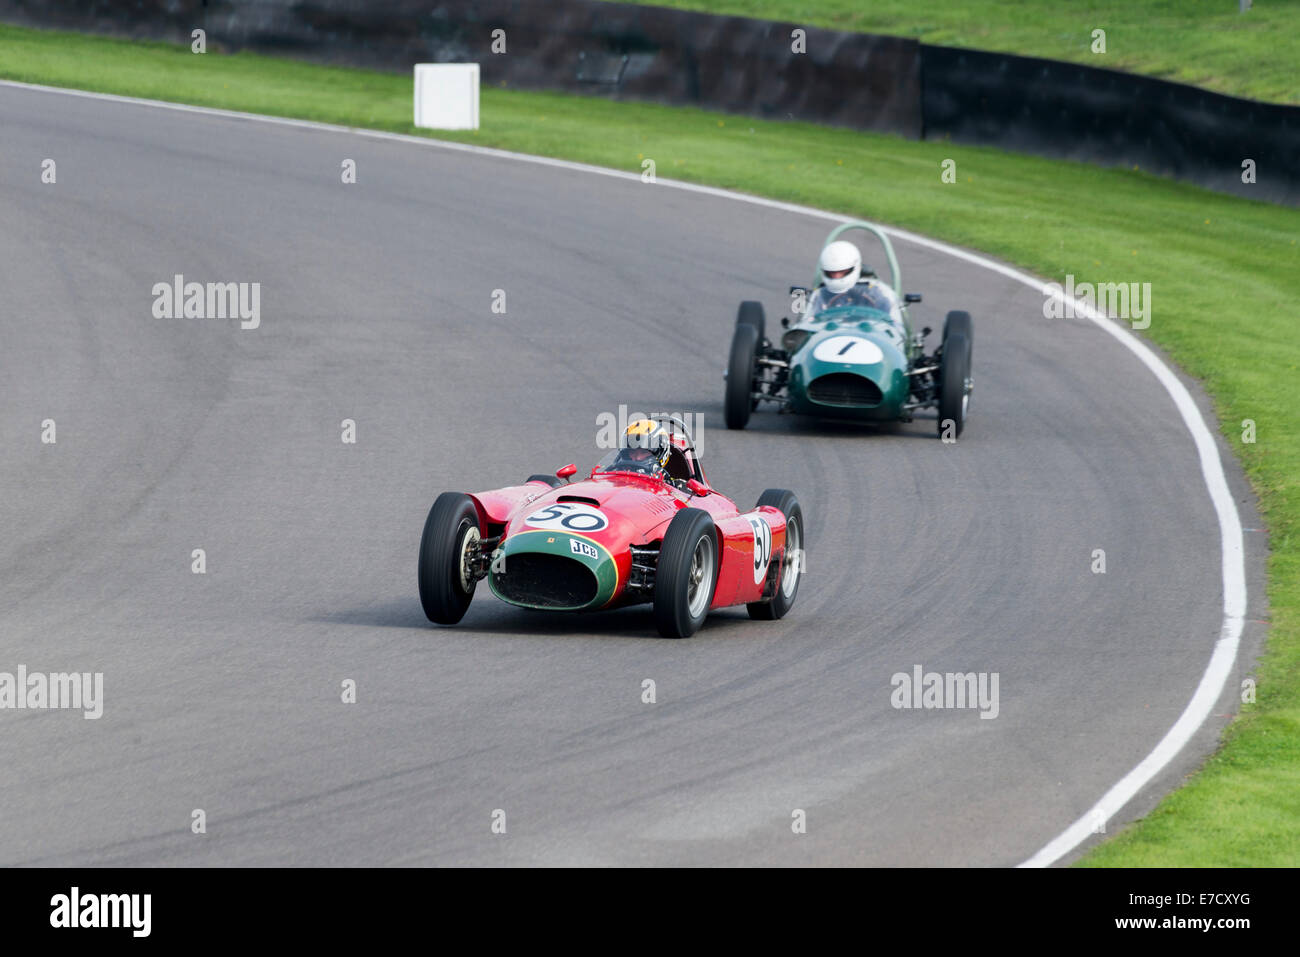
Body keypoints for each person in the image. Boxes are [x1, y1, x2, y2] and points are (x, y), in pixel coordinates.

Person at [805, 240, 902, 325]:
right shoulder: (820, 294)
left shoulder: (874, 293)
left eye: (842, 272)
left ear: (855, 268)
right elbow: (809, 322)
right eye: (831, 273)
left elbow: (890, 323)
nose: (836, 277)